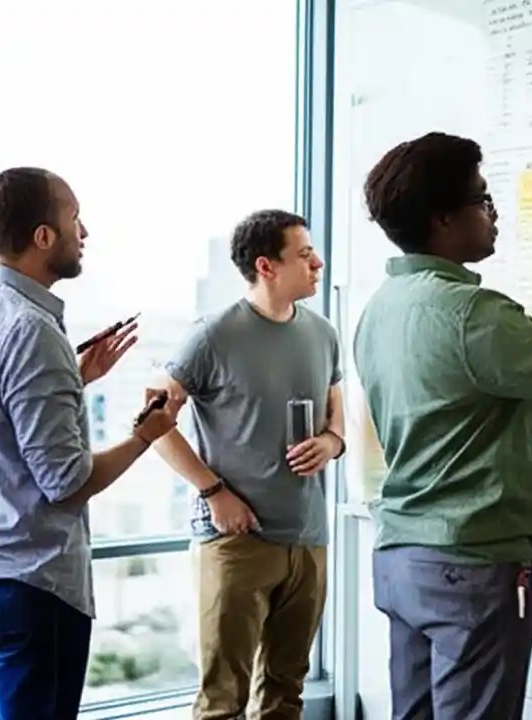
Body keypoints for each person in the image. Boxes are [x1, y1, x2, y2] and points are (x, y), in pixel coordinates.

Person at [352, 131, 532, 719]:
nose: (493, 214)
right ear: (442, 221)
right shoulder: (472, 315)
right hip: (470, 568)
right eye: (482, 201)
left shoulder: (380, 307)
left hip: (401, 554)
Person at [0, 167, 181, 720]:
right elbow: (65, 483)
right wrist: (146, 435)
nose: (84, 232)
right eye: (73, 219)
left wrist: (74, 376)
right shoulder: (32, 329)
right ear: (44, 237)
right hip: (30, 578)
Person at [150, 209, 344, 720]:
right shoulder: (213, 335)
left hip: (307, 539)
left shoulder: (322, 333)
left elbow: (335, 410)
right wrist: (214, 492)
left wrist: (332, 442)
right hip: (238, 541)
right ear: (267, 266)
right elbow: (152, 426)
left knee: (287, 691)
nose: (318, 263)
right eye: (304, 255)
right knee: (222, 700)